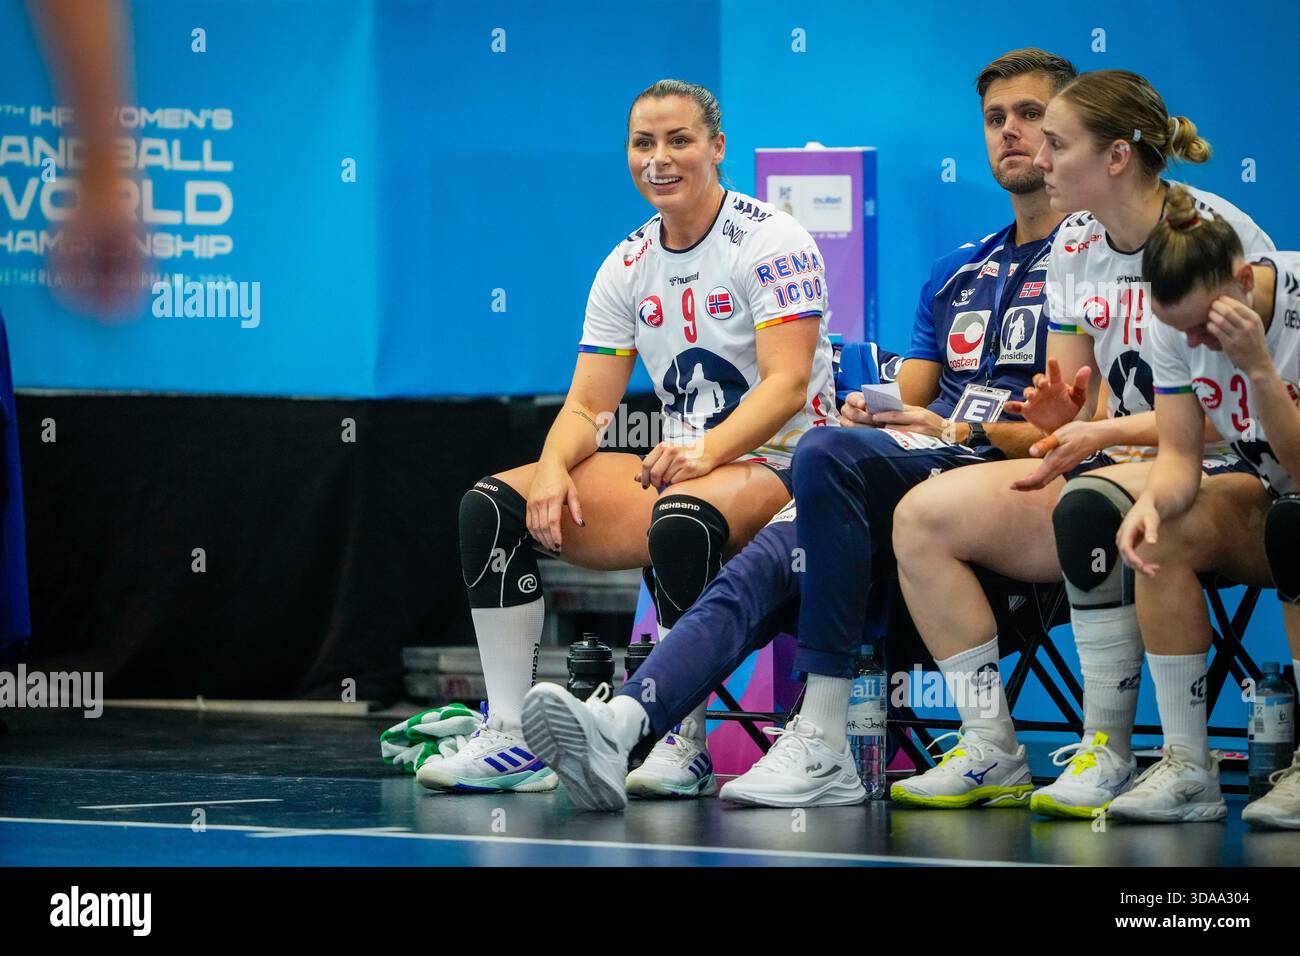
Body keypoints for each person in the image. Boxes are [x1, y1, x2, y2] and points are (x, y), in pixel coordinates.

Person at [517, 48, 1079, 811]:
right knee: (788, 532)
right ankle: (625, 725)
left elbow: (1086, 425)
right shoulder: (956, 271)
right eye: (995, 118)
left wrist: (943, 427)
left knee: (816, 464)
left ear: (1073, 129)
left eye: (1031, 115)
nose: (1010, 132)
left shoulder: (1099, 264)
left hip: (1009, 478)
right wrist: (872, 405)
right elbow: (900, 401)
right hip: (918, 463)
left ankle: (815, 738)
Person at [424, 79, 838, 795]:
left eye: (679, 140)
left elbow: (786, 385)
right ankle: (512, 734)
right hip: (684, 466)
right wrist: (554, 468)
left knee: (682, 516)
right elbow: (589, 405)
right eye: (643, 143)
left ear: (717, 147)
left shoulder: (772, 239)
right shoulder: (626, 263)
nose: (659, 158)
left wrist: (707, 451)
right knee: (493, 506)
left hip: (785, 464)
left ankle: (681, 743)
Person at [888, 70, 1274, 814]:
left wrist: (1097, 431)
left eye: (1057, 142)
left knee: (1095, 505)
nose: (1042, 159)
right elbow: (1073, 402)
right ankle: (990, 751)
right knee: (923, 518)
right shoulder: (1073, 241)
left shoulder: (1214, 239)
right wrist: (1059, 413)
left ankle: (1147, 757)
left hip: (1229, 468)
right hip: (1109, 466)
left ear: (1117, 158)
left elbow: (1237, 409)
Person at [1099, 186, 1299, 825]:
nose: (1193, 341)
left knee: (1297, 526)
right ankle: (1188, 765)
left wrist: (1260, 371)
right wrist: (1152, 503)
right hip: (1278, 497)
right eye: (1178, 327)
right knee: (1162, 536)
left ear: (1244, 281)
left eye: (1202, 326)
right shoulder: (1175, 325)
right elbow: (1182, 456)